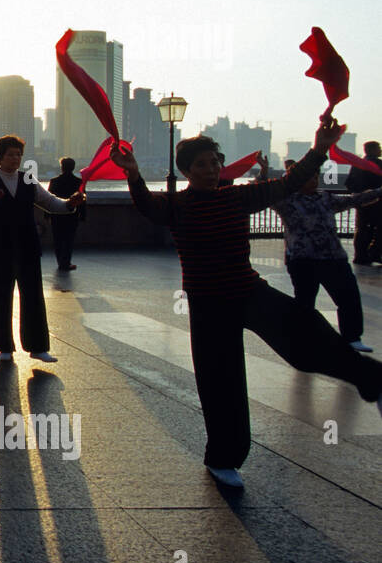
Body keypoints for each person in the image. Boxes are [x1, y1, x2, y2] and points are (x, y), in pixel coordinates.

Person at [109, 118, 382, 489]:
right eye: (201, 165)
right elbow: (145, 206)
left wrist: (319, 149)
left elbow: (286, 184)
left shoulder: (237, 197)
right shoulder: (177, 205)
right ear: (186, 171)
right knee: (221, 382)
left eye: (215, 162)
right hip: (208, 306)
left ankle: (372, 380)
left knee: (307, 334)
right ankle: (224, 458)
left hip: (248, 291)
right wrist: (134, 173)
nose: (211, 170)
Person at [0, 135, 84, 363]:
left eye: (19, 154)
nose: (16, 158)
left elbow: (49, 201)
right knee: (1, 296)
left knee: (33, 295)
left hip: (28, 244)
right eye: (11, 154)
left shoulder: (28, 179)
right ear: (0, 157)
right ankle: (4, 348)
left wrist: (70, 203)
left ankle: (37, 347)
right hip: (0, 245)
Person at [274, 164, 381, 352]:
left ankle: (352, 337)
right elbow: (261, 194)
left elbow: (355, 200)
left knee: (349, 297)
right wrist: (261, 173)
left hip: (333, 257)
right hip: (303, 259)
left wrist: (379, 191)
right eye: (309, 177)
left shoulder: (325, 197)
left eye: (316, 177)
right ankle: (303, 338)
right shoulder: (286, 200)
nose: (314, 181)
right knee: (305, 303)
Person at [345, 140, 382, 264]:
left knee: (361, 229)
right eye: (379, 148)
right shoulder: (378, 164)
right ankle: (374, 252)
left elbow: (348, 183)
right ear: (373, 150)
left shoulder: (357, 165)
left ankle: (360, 256)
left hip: (361, 203)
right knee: (378, 229)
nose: (381, 150)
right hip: (377, 203)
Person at [47, 157, 85, 271]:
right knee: (69, 239)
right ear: (73, 167)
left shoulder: (54, 181)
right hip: (72, 215)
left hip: (56, 214)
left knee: (58, 239)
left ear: (61, 167)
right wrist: (82, 215)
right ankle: (66, 262)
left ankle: (60, 262)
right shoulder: (78, 182)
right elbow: (82, 200)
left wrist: (47, 214)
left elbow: (49, 199)